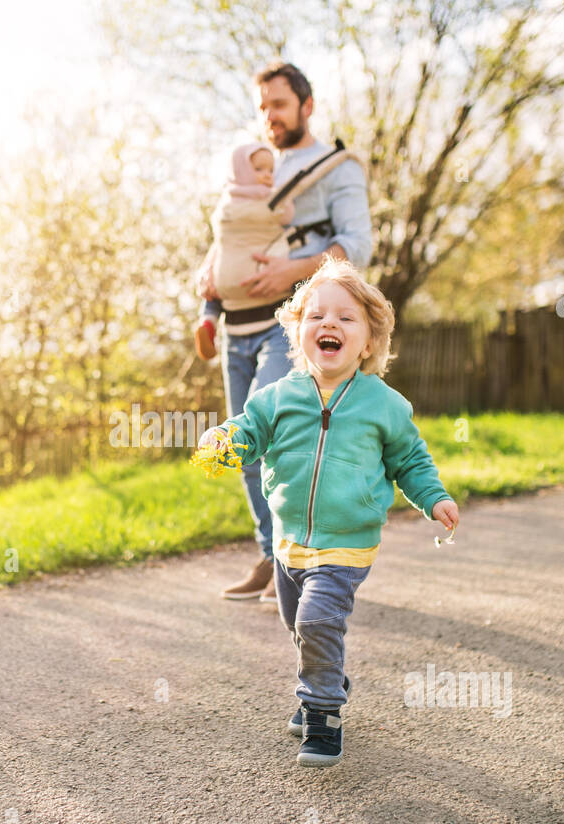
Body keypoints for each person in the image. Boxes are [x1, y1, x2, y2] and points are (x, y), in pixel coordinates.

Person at [196, 257, 460, 767]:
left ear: (368, 341)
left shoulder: (383, 404)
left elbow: (410, 460)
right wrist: (225, 442)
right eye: (316, 317)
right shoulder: (278, 398)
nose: (329, 325)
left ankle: (322, 712)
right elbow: (247, 432)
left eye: (345, 318)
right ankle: (329, 674)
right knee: (298, 623)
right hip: (288, 544)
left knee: (318, 621)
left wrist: (435, 498)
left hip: (347, 544)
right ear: (298, 335)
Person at [196, 60, 374, 603]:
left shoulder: (336, 168)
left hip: (290, 323)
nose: (269, 116)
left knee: (265, 430)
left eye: (279, 104)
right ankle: (273, 558)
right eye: (263, 107)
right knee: (242, 446)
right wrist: (207, 278)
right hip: (236, 324)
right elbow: (231, 233)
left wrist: (288, 270)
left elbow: (356, 246)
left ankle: (297, 561)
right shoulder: (254, 168)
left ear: (306, 105)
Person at [193, 143, 296, 361]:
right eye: (259, 170)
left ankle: (207, 321)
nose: (267, 176)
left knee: (214, 290)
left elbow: (221, 240)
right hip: (255, 282)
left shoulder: (226, 200)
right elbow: (287, 216)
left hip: (226, 283)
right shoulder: (269, 198)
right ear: (242, 171)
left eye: (270, 171)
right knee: (218, 279)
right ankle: (207, 322)